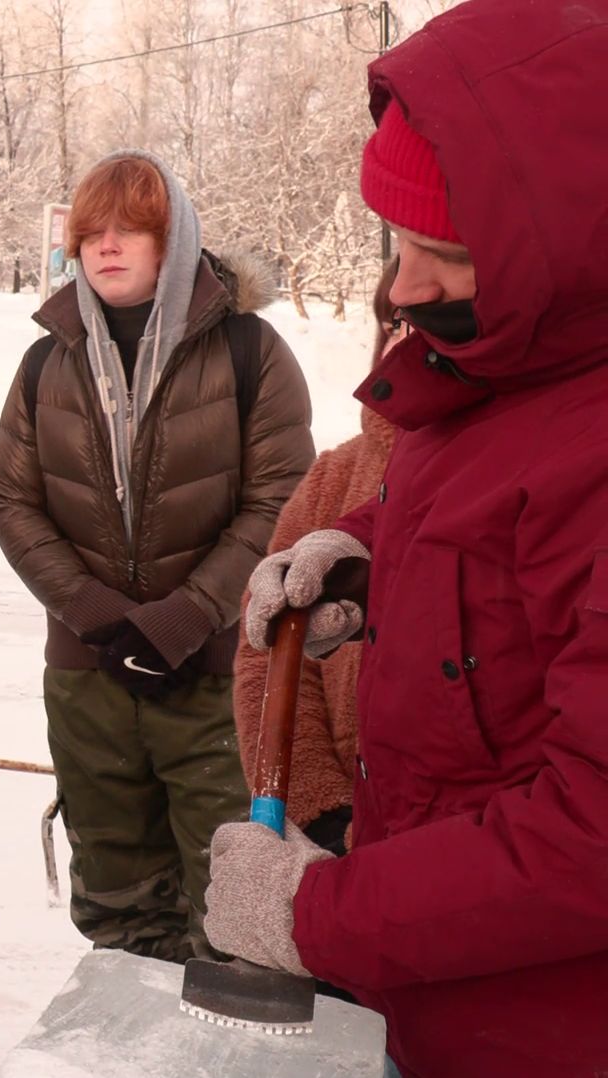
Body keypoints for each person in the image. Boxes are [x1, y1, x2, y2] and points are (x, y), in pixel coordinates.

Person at [206, 3, 608, 1073]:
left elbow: (592, 838)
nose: (402, 287)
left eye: (448, 254)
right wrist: (366, 549)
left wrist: (318, 912)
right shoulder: (515, 364)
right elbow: (500, 527)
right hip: (438, 1005)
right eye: (399, 241)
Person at [0, 151, 314, 962]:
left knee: (229, 900)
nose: (106, 245)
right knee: (118, 899)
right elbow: (11, 499)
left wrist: (185, 616)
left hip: (212, 677)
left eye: (131, 228)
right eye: (91, 230)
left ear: (175, 238)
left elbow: (282, 500)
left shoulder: (249, 351)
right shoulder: (44, 362)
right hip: (90, 675)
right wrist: (97, 615)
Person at [229, 260, 402, 858]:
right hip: (337, 828)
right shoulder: (337, 475)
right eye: (391, 323)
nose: (406, 340)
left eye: (423, 323)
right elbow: (271, 650)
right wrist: (320, 809)